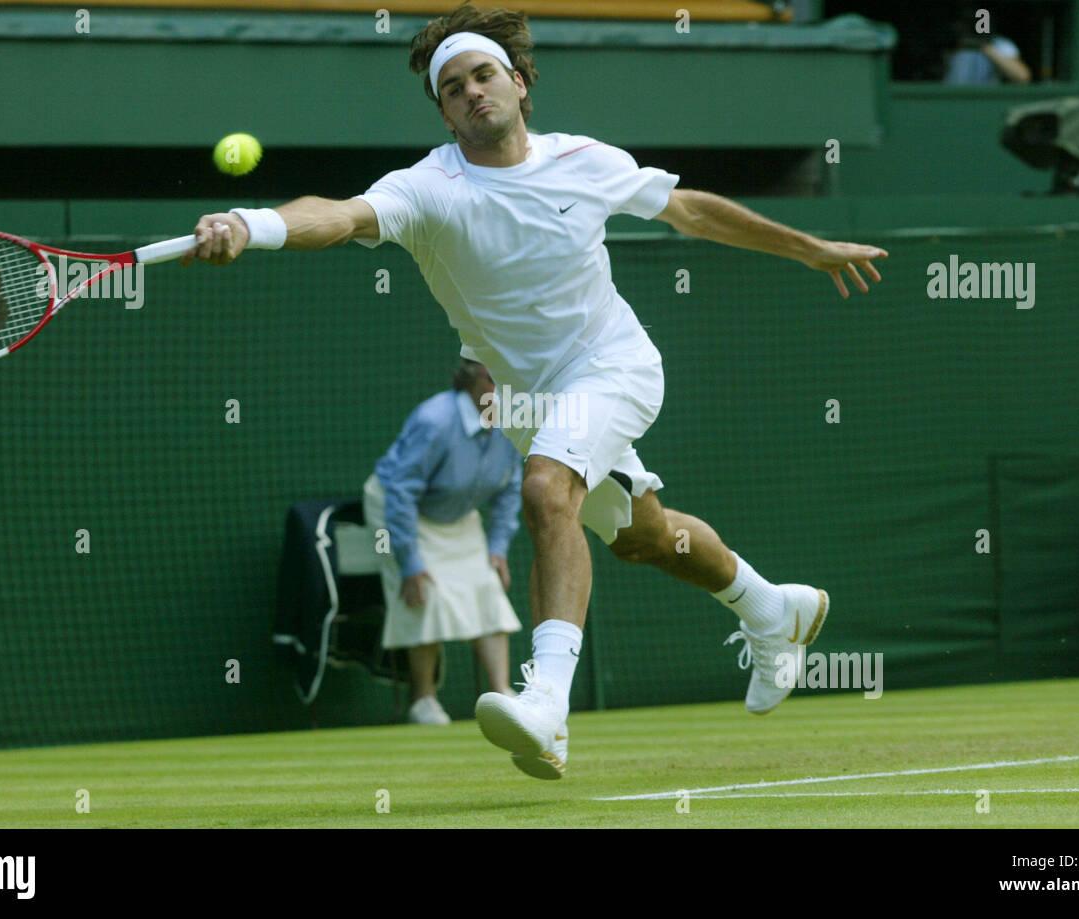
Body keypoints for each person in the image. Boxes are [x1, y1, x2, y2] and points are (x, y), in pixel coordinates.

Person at [181, 3, 887, 779]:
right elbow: (338, 216)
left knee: (548, 489)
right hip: (528, 402)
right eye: (453, 88)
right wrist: (254, 223)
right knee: (646, 537)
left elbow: (690, 211)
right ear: (445, 113)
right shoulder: (426, 190)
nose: (472, 91)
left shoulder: (583, 160)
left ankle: (546, 706)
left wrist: (809, 247)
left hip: (613, 365)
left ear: (518, 83)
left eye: (484, 75)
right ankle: (771, 609)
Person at [363, 359, 523, 725]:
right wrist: (410, 562)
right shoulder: (434, 421)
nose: (501, 388)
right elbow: (400, 492)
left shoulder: (514, 423)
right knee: (424, 593)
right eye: (491, 378)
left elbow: (510, 489)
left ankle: (503, 696)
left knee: (487, 586)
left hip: (456, 514)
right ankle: (424, 701)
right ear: (470, 381)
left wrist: (497, 547)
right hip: (400, 508)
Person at [943, 8, 1032, 85]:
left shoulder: (999, 44)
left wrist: (985, 48)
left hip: (986, 99)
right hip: (953, 98)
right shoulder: (951, 44)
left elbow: (1022, 77)